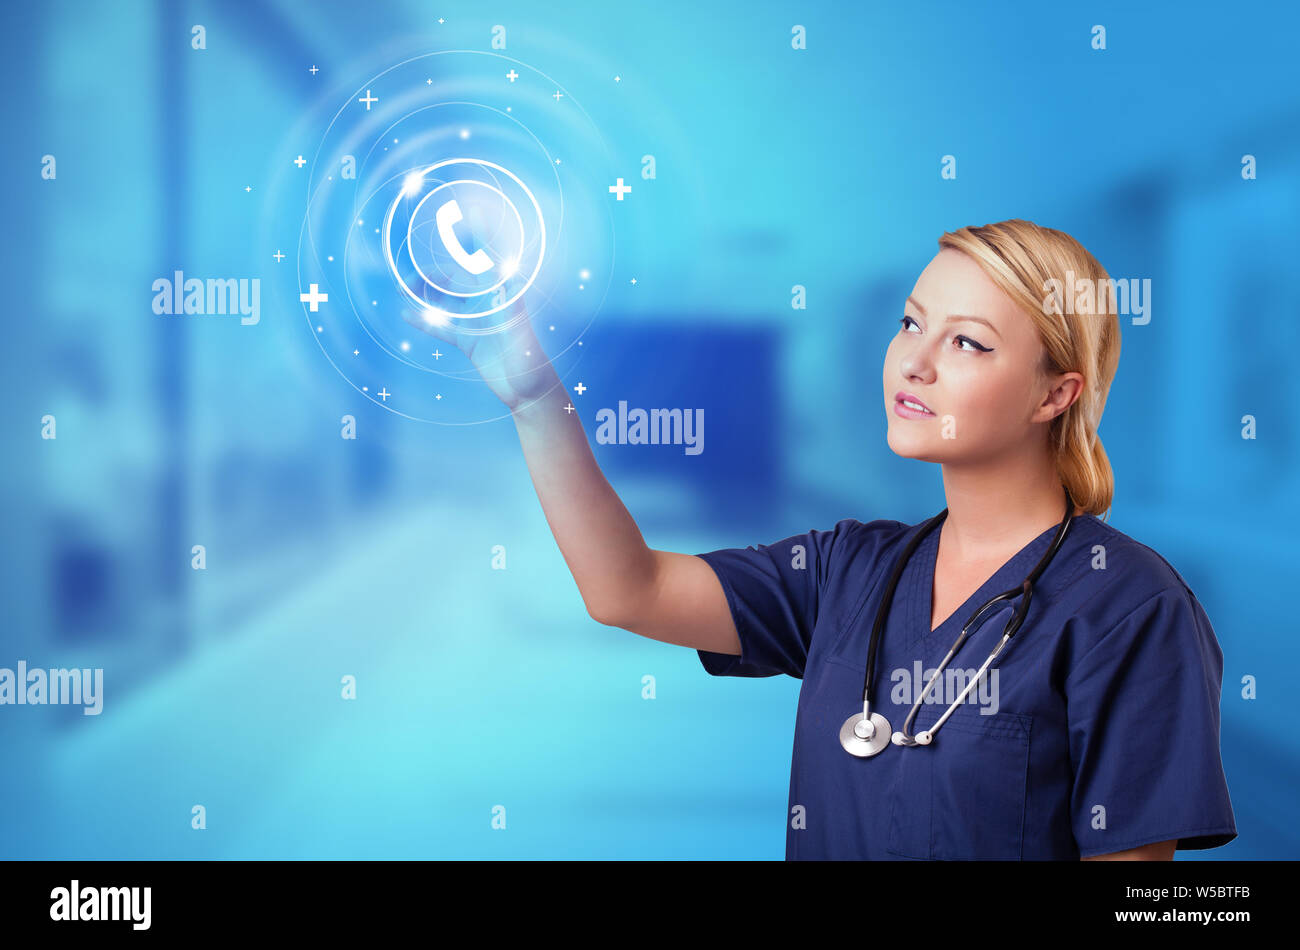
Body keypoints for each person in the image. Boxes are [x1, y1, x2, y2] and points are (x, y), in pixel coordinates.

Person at [408, 218, 1237, 861]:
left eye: (967, 342)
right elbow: (628, 589)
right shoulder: (851, 567)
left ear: (1056, 394)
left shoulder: (1131, 610)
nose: (914, 363)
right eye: (911, 323)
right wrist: (530, 396)